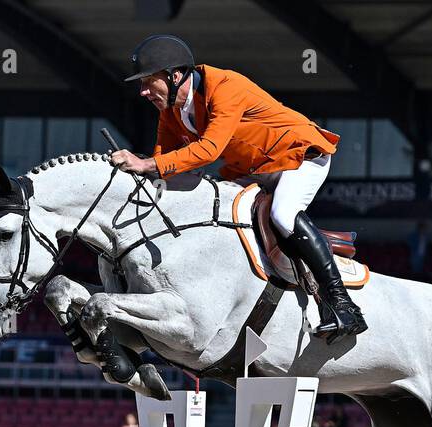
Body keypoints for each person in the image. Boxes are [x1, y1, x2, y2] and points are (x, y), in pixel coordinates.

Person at [110, 35, 366, 339]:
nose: (142, 92)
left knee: (283, 215)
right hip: (254, 169)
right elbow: (166, 163)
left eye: (148, 82)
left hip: (299, 157)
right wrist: (139, 176)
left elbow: (208, 151)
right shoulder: (170, 112)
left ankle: (343, 306)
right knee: (215, 213)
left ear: (174, 76)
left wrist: (145, 165)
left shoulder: (225, 86)